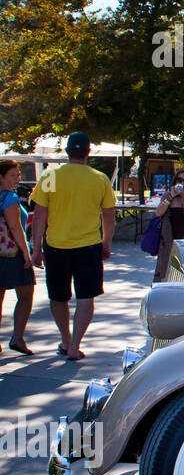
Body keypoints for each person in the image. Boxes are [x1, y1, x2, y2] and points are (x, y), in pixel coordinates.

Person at [29, 132, 117, 361]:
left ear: (67, 152)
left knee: (58, 297)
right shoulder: (100, 179)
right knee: (86, 297)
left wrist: (36, 247)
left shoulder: (50, 175)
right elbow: (109, 217)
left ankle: (66, 339)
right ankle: (75, 345)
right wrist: (106, 243)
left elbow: (39, 214)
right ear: (88, 152)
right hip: (89, 245)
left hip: (56, 244)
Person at [0, 159, 36, 356]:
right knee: (25, 295)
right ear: (1, 177)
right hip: (12, 253)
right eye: (12, 175)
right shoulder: (10, 198)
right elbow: (15, 227)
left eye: (18, 175)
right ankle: (17, 337)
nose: (17, 179)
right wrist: (26, 252)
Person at [151, 166, 184, 281]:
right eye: (180, 180)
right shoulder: (168, 197)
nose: (183, 183)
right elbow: (158, 213)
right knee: (167, 275)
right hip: (170, 242)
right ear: (175, 182)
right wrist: (171, 197)